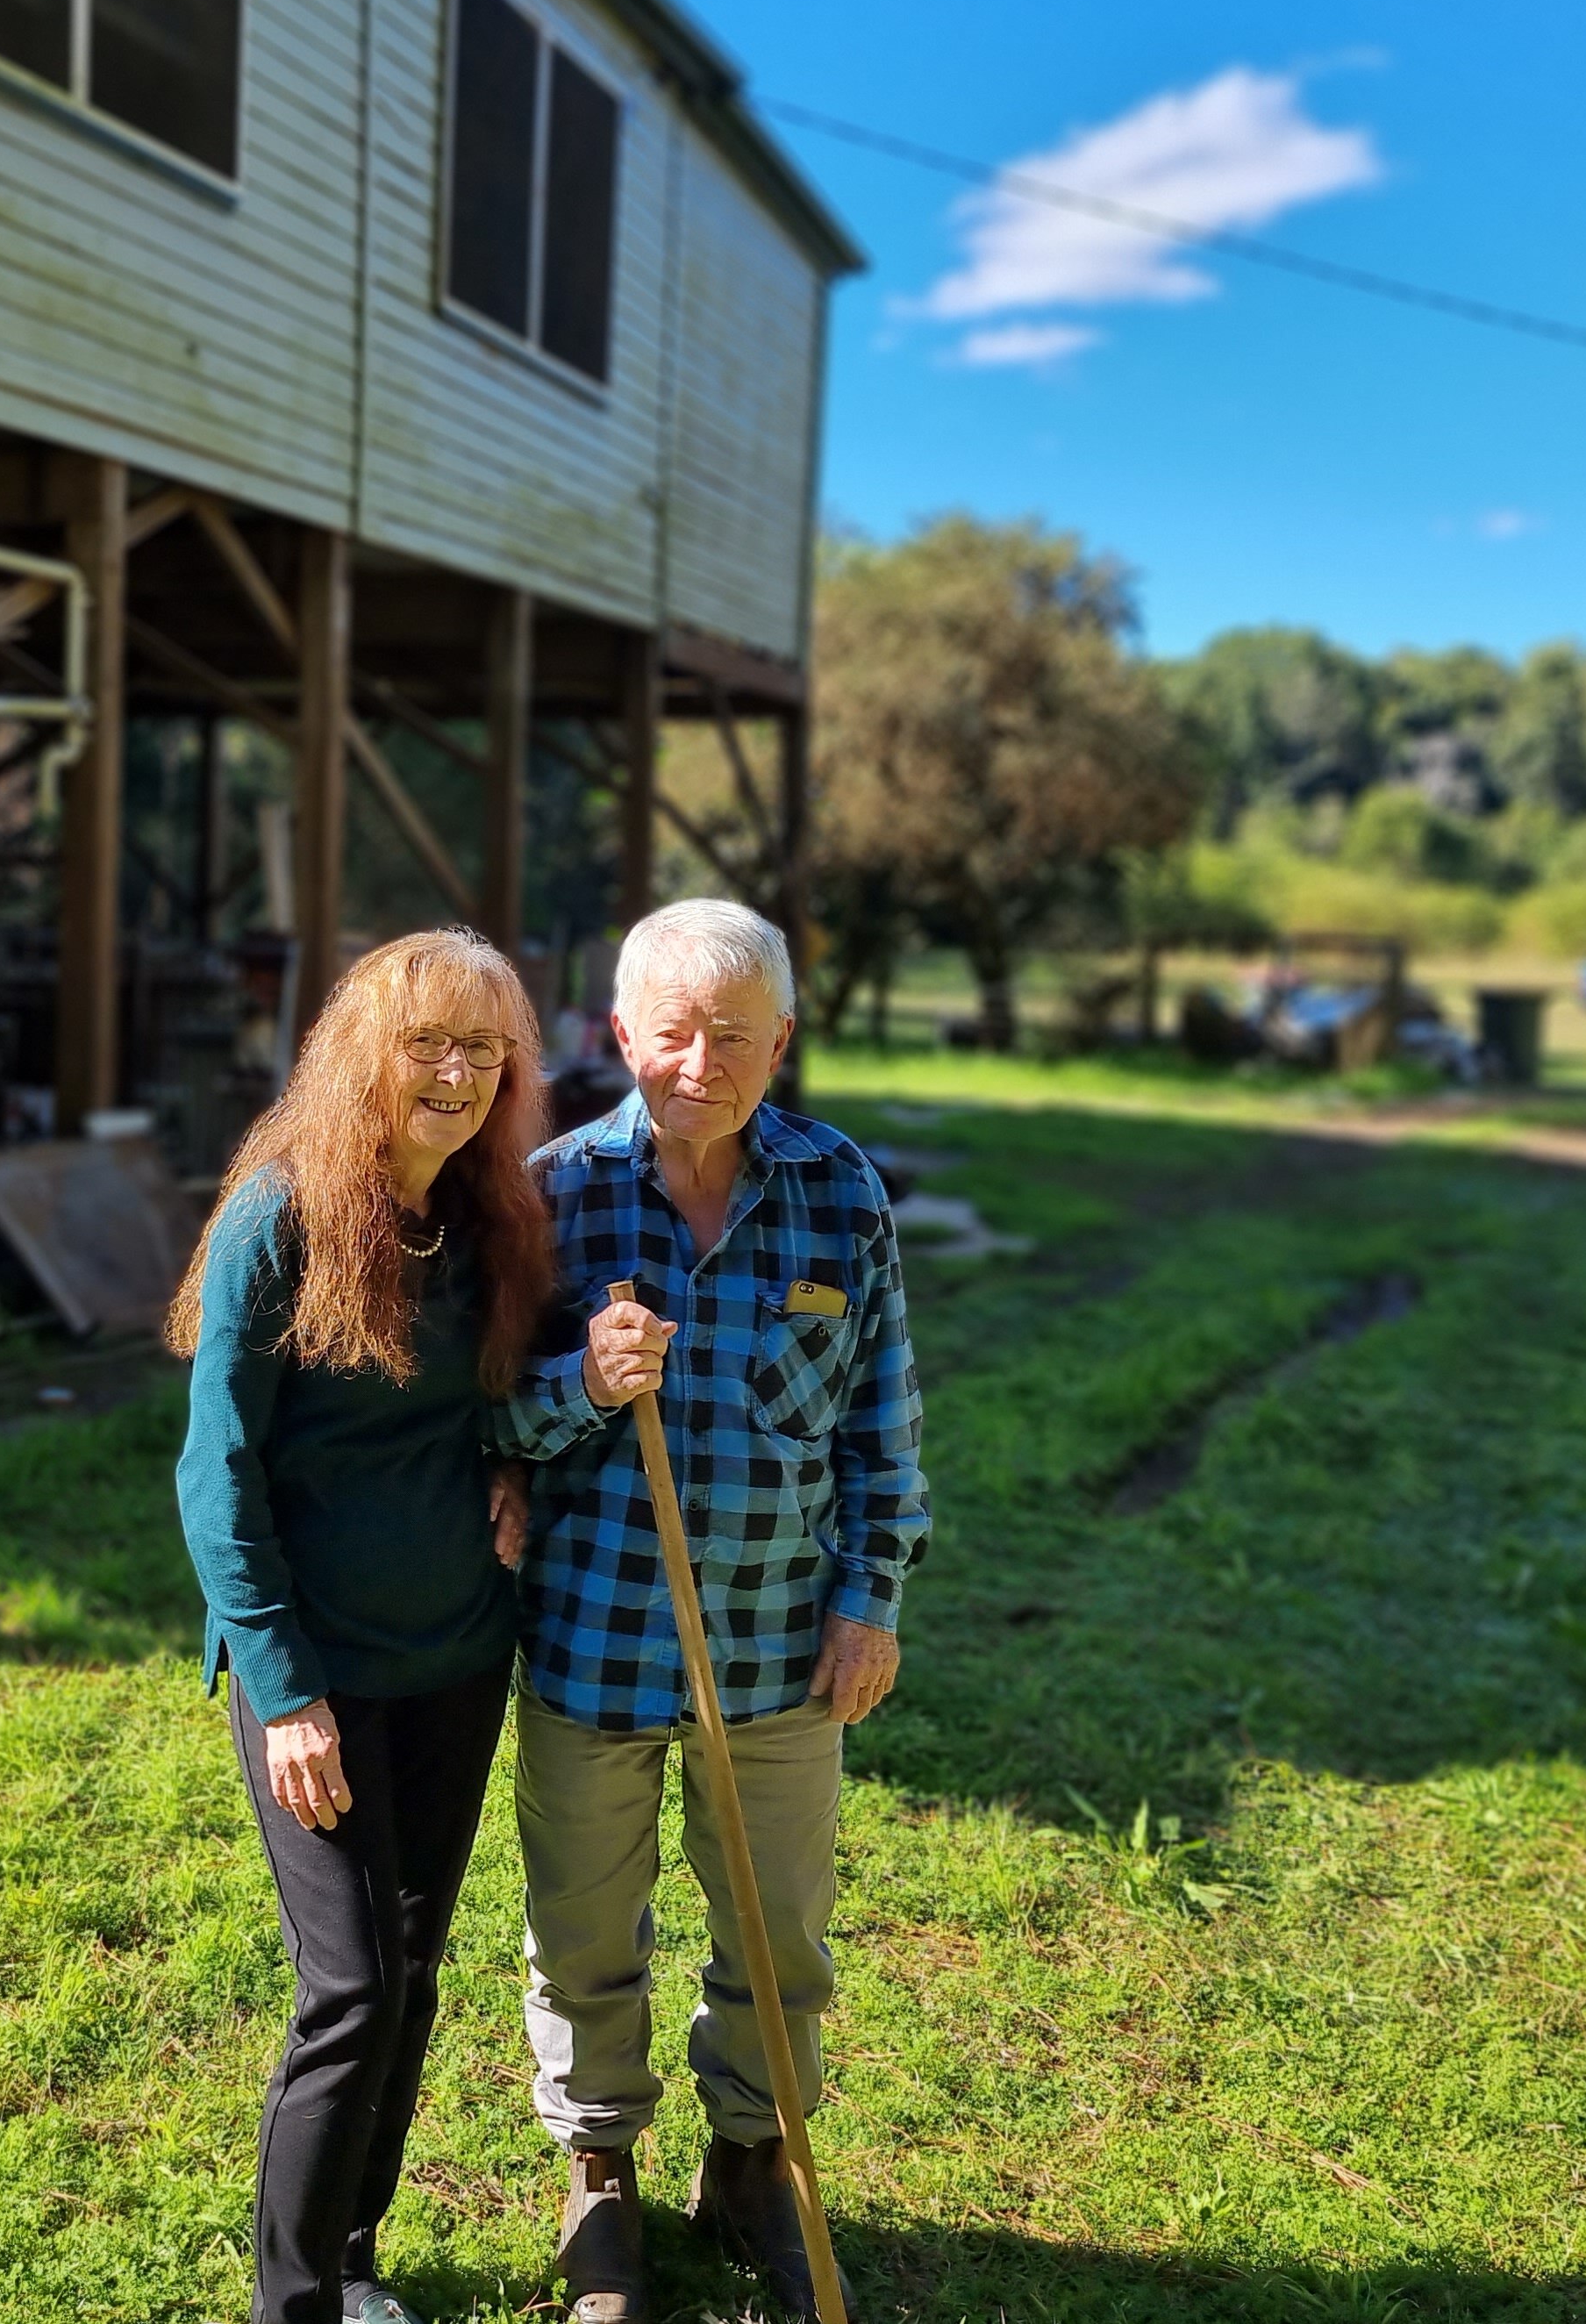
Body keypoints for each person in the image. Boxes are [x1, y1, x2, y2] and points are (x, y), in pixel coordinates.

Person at [492, 898, 927, 2324]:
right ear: (622, 1034)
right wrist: (581, 1384)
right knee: (583, 1930)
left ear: (782, 1041)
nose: (701, 1062)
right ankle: (599, 2178)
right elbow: (484, 1425)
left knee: (778, 1932)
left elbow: (881, 1421)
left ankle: (750, 2163)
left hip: (780, 1643)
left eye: (735, 1036)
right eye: (674, 1031)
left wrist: (870, 1599)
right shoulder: (551, 1192)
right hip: (593, 1634)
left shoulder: (839, 1191)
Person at [171, 929, 557, 2324]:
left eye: (483, 1049)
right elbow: (216, 1471)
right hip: (318, 1669)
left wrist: (515, 1470)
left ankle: (348, 2259)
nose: (456, 1074)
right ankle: (293, 2306)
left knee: (414, 1970)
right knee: (352, 1991)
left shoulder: (491, 1217)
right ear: (362, 1054)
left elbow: (497, 1403)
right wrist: (282, 1691)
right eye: (425, 1044)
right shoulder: (280, 1217)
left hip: (457, 1649)